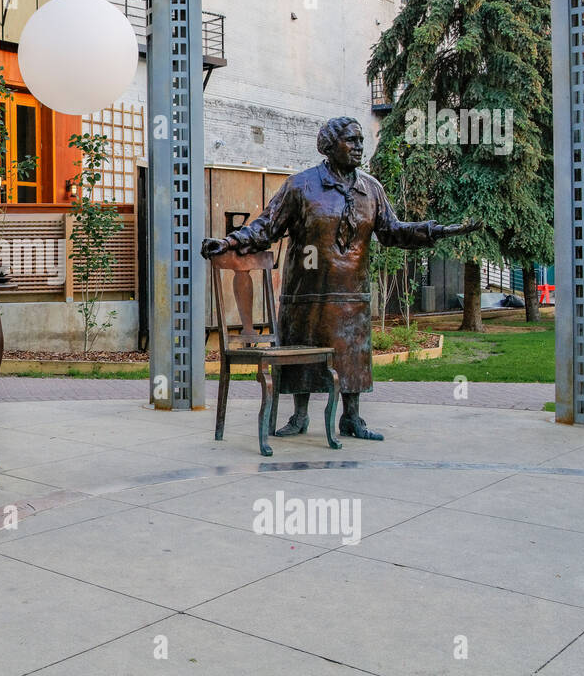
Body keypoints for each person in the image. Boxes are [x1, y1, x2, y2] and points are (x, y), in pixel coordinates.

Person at [201, 117, 480, 440]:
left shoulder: (371, 188)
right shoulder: (301, 186)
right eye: (352, 140)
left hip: (351, 293)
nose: (359, 147)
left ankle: (352, 419)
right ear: (330, 146)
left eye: (361, 141)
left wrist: (435, 231)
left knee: (351, 354)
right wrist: (229, 242)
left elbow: (392, 231)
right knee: (301, 351)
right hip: (307, 294)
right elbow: (266, 227)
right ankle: (299, 415)